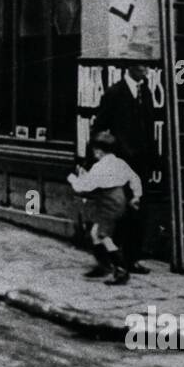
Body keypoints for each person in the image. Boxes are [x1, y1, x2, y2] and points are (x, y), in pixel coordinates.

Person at [91, 60, 156, 275]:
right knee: (116, 210)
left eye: (147, 66)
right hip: (120, 164)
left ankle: (132, 259)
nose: (146, 69)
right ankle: (112, 260)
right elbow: (100, 126)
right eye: (141, 65)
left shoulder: (145, 92)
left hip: (141, 163)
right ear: (129, 67)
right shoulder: (115, 93)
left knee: (138, 211)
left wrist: (153, 158)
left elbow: (150, 128)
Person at [68, 128, 142, 285]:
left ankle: (121, 270)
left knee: (103, 236)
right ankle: (104, 266)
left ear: (99, 151)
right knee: (95, 233)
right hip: (119, 199)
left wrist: (73, 179)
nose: (95, 153)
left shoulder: (100, 167)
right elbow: (135, 178)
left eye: (95, 150)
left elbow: (84, 187)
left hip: (108, 202)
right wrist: (136, 196)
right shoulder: (120, 163)